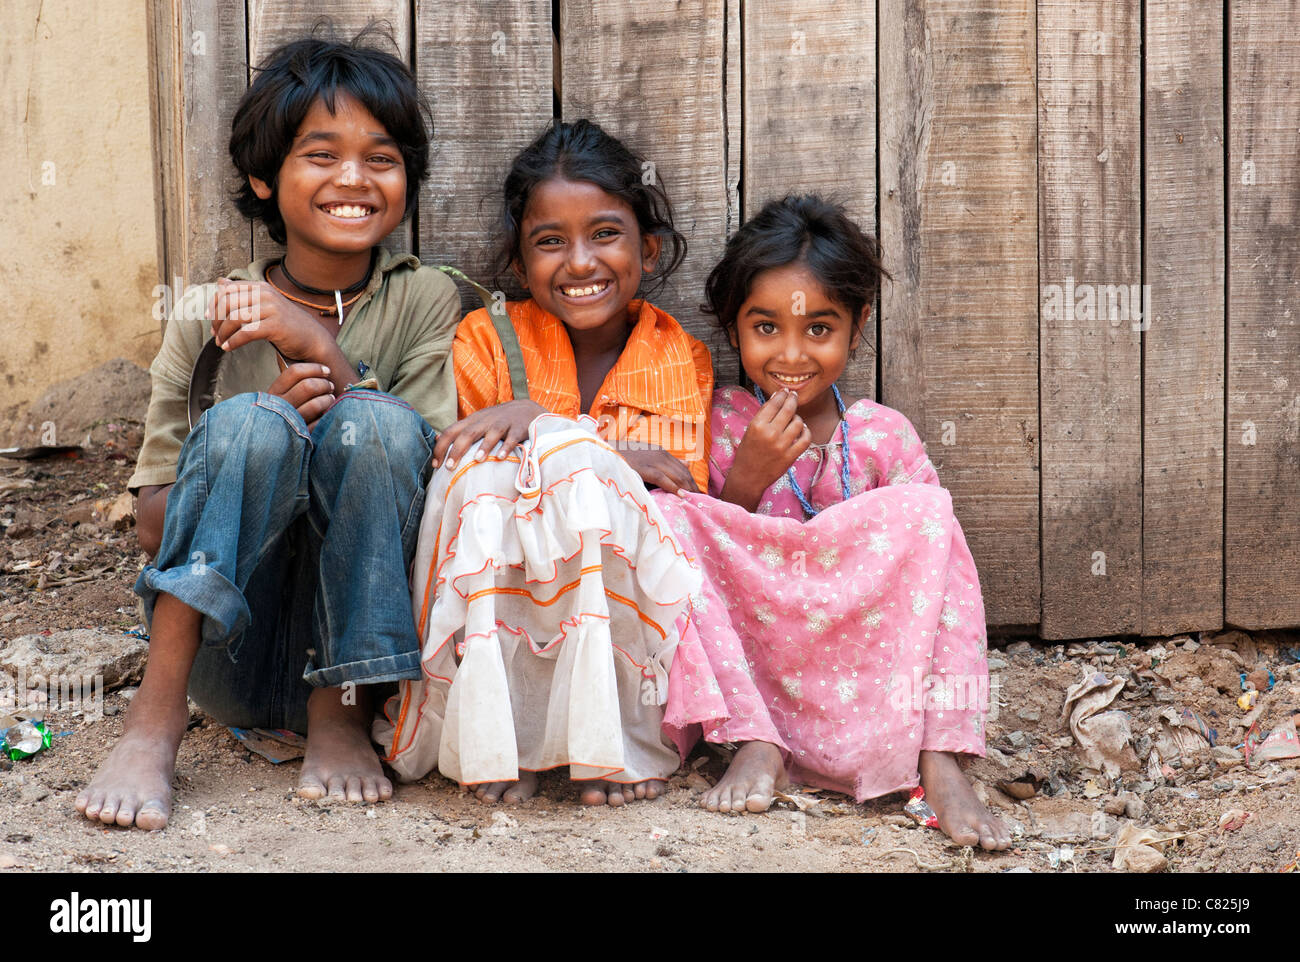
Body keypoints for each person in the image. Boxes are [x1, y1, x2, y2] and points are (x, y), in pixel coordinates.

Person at [75, 33, 461, 830]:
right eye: (321, 155)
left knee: (374, 427)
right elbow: (152, 526)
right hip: (231, 651)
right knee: (255, 421)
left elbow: (438, 495)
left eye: (380, 159)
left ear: (407, 180)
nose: (353, 178)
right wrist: (263, 446)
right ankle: (154, 721)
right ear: (263, 178)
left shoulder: (428, 299)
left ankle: (339, 716)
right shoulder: (209, 315)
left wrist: (324, 352)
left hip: (378, 661)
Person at [655, 195, 1012, 850]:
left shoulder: (879, 434)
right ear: (733, 329)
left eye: (818, 329)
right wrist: (749, 476)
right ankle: (755, 739)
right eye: (766, 328)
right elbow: (699, 562)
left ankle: (941, 758)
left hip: (863, 659)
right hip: (758, 653)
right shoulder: (721, 421)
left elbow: (934, 582)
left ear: (858, 324)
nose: (791, 354)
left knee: (930, 513)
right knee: (668, 514)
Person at [375, 119, 709, 807]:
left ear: (647, 247)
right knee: (493, 491)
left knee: (606, 511)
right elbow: (456, 473)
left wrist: (547, 430)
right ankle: (509, 736)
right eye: (550, 242)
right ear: (519, 262)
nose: (580, 262)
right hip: (509, 583)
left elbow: (675, 496)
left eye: (606, 234)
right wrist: (589, 447)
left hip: (615, 600)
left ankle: (614, 737)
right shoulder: (485, 342)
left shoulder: (675, 352)